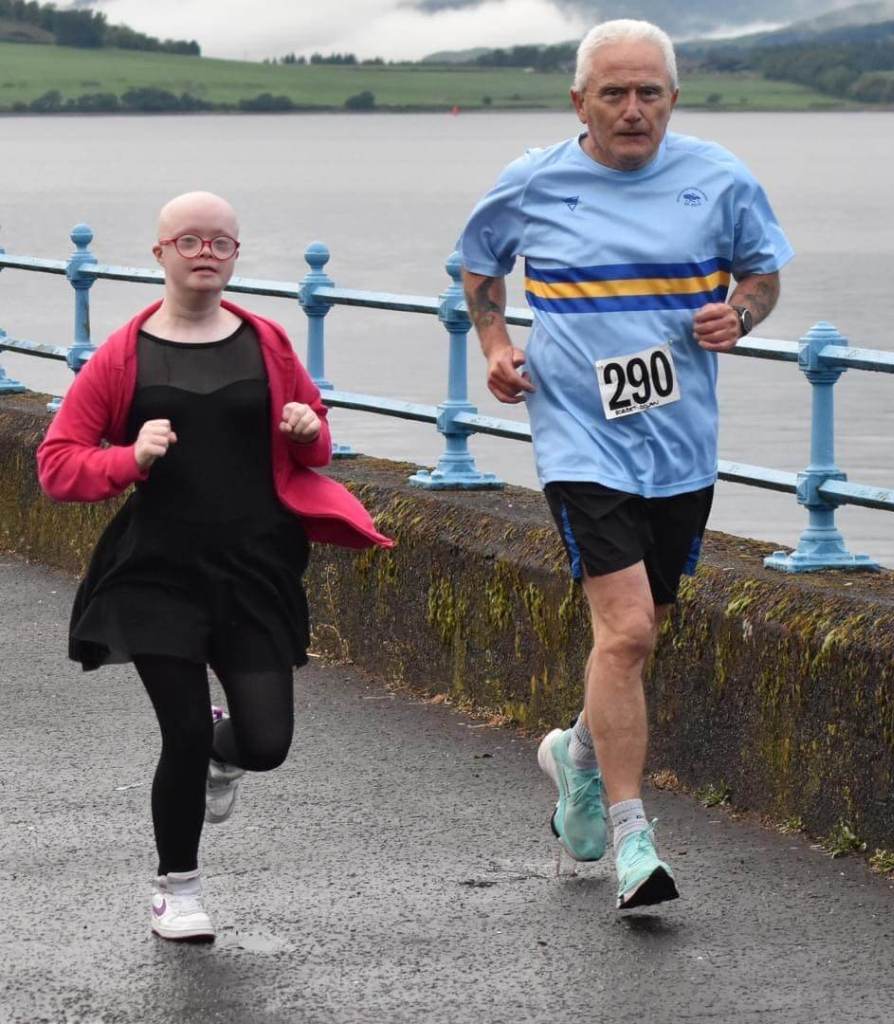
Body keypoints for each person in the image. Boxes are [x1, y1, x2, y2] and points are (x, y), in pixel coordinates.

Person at [458, 19, 792, 910]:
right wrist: (494, 343)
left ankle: (573, 751)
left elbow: (760, 276)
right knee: (629, 630)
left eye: (649, 92)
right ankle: (633, 839)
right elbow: (477, 268)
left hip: (680, 443)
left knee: (639, 637)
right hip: (578, 436)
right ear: (579, 102)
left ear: (673, 99)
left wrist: (741, 317)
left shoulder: (719, 179)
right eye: (614, 93)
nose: (633, 109)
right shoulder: (532, 181)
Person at [37, 191, 392, 942]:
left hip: (253, 565)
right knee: (184, 729)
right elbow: (58, 464)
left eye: (220, 242)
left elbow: (316, 438)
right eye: (188, 240)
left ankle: (225, 754)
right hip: (156, 569)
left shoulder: (265, 342)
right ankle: (178, 889)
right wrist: (127, 457)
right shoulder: (123, 356)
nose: (205, 252)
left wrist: (306, 427)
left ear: (235, 255)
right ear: (160, 253)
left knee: (265, 744)